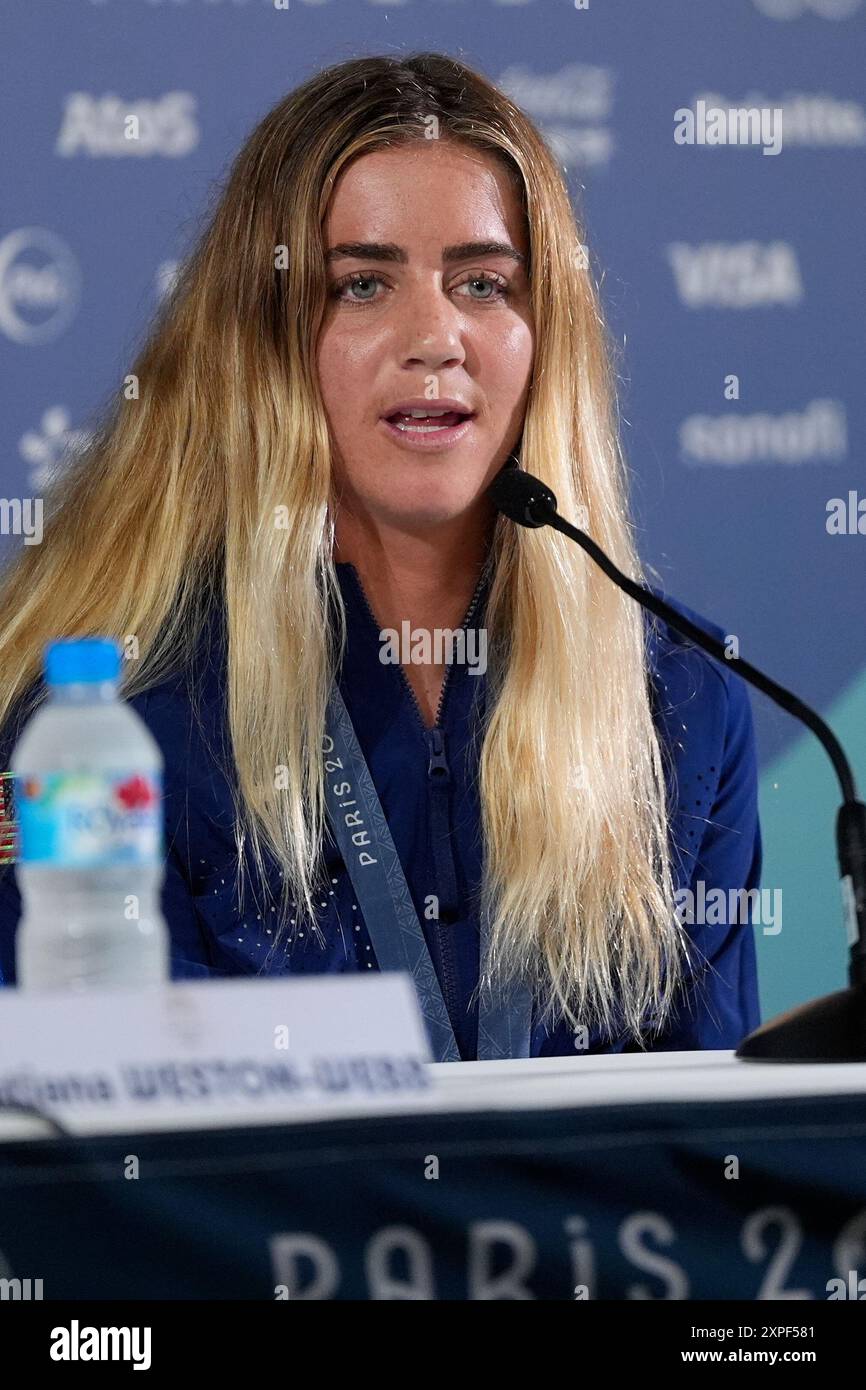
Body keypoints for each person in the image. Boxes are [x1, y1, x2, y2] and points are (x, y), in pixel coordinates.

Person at [0, 52, 761, 1059]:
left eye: (483, 283)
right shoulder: (115, 719)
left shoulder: (681, 702)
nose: (434, 336)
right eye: (361, 284)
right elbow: (107, 1169)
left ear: (546, 335)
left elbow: (711, 1159)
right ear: (261, 339)